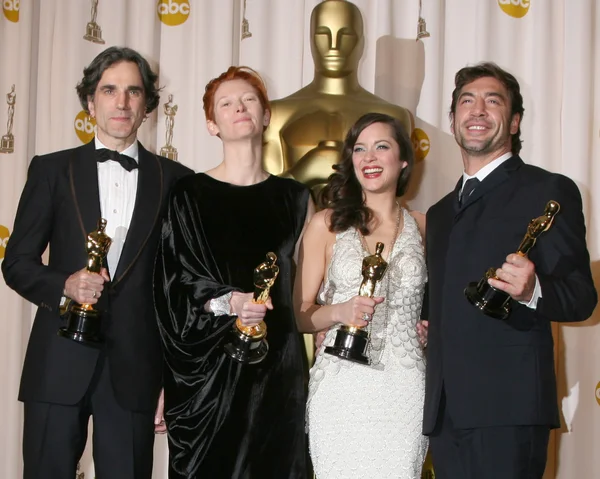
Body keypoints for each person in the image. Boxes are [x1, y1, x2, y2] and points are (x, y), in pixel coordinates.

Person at [2, 46, 193, 479]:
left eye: (133, 92)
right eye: (109, 90)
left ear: (147, 105)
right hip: (56, 364)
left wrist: (172, 379)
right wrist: (64, 285)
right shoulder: (51, 170)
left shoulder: (178, 181)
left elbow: (178, 290)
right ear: (91, 101)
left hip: (136, 372)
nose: (121, 102)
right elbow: (16, 263)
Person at [423, 62, 597, 479]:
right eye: (467, 101)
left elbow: (581, 298)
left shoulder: (547, 190)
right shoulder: (439, 213)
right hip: (444, 411)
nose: (477, 110)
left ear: (515, 121)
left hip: (508, 408)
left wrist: (534, 290)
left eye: (492, 101)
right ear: (452, 120)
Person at [153, 66, 314, 479]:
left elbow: (314, 291)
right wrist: (231, 301)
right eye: (226, 103)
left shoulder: (295, 198)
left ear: (265, 115)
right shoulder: (189, 194)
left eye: (249, 100)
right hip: (209, 374)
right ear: (212, 124)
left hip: (277, 373)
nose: (238, 107)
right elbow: (172, 287)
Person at [294, 112, 428, 478]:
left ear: (403, 160)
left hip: (404, 387)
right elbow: (301, 314)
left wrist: (431, 326)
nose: (369, 157)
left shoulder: (423, 226)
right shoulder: (326, 223)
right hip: (341, 383)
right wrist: (338, 312)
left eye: (381, 146)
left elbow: (439, 303)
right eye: (359, 149)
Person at [262, 0, 413, 193]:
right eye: (323, 34)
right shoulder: (276, 113)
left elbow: (393, 194)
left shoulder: (393, 116)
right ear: (310, 39)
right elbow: (267, 201)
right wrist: (306, 171)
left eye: (346, 35)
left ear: (361, 42)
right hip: (298, 223)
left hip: (368, 222)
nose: (334, 46)